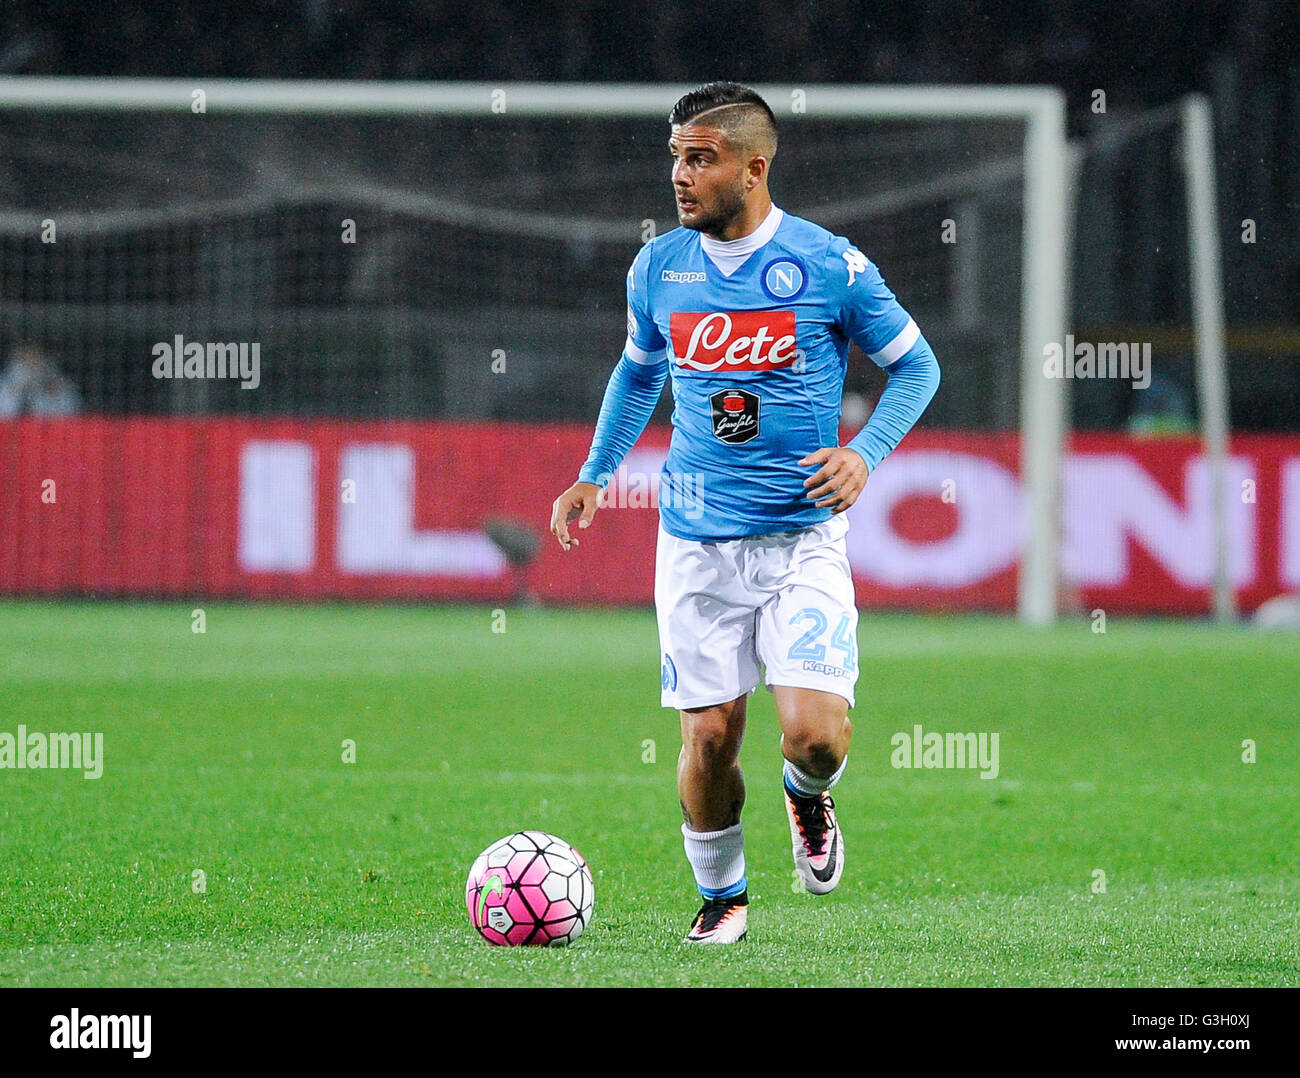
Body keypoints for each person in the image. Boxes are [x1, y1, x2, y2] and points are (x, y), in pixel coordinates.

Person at [549, 82, 940, 943]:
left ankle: (809, 801)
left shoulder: (830, 264)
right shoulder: (658, 268)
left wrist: (863, 454)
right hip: (694, 542)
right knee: (711, 738)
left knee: (816, 741)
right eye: (675, 158)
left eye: (701, 158)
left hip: (801, 540)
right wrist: (594, 473)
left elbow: (918, 369)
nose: (681, 176)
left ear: (753, 166)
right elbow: (638, 373)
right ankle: (723, 899)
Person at [0, 342, 81, 418]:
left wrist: (52, 394)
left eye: (36, 355)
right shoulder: (7, 382)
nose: (32, 360)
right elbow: (5, 413)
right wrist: (18, 388)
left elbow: (72, 412)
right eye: (27, 355)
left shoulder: (56, 380)